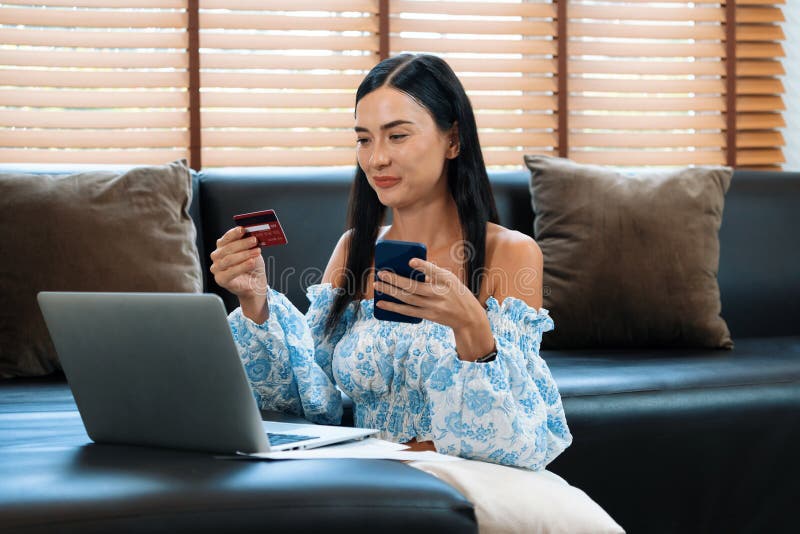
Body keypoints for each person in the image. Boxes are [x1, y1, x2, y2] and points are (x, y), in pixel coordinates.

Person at [209, 54, 572, 469]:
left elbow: (520, 440)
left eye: (396, 136)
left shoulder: (510, 253)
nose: (376, 158)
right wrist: (254, 302)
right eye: (364, 139)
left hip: (464, 479)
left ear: (453, 139)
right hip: (369, 480)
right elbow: (307, 401)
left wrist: (470, 326)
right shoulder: (353, 250)